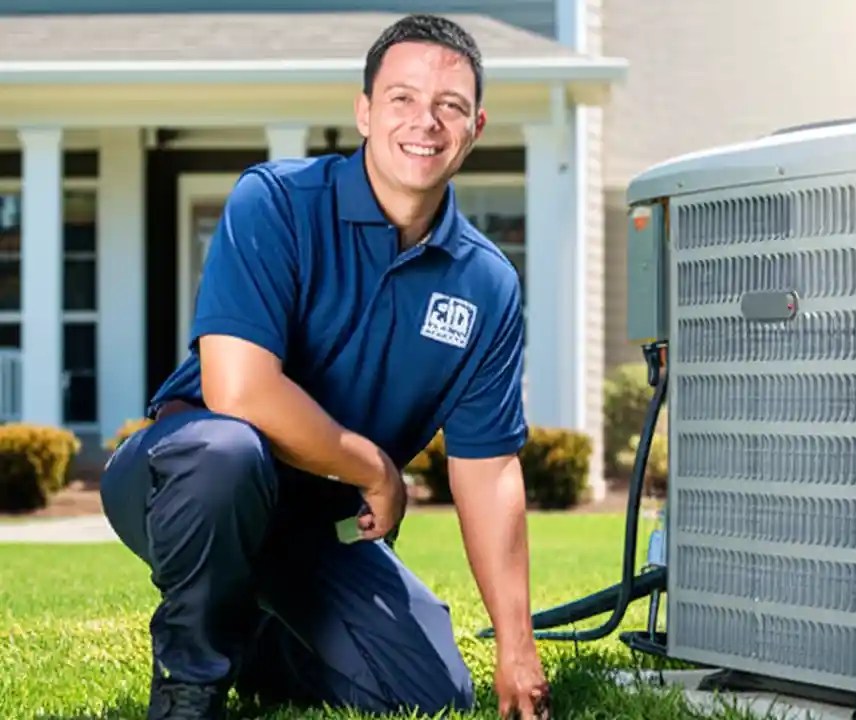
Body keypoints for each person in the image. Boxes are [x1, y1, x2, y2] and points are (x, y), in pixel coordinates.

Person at [98, 14, 551, 720]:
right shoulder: (275, 201)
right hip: (189, 480)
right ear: (365, 112)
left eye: (449, 106)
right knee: (226, 450)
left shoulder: (487, 285)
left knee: (431, 693)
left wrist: (517, 648)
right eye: (401, 99)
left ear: (477, 126)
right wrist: (375, 469)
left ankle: (257, 637)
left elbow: (488, 471)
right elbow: (237, 388)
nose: (425, 122)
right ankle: (190, 685)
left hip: (319, 527)